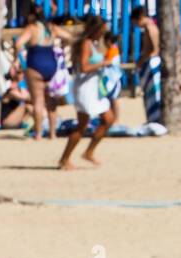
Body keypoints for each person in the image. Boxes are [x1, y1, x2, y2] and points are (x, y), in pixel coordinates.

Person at [59, 16, 114, 171]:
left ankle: (88, 152)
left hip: (94, 87)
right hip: (85, 88)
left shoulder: (94, 44)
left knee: (108, 119)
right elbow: (83, 67)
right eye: (101, 31)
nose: (103, 34)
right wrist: (103, 63)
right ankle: (64, 159)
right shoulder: (86, 44)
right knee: (81, 126)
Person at [15, 5, 60, 140]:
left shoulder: (32, 28)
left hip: (35, 64)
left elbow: (18, 43)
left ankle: (39, 134)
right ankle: (53, 134)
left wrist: (20, 61)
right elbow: (69, 36)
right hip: (51, 64)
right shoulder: (51, 28)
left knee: (38, 102)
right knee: (52, 102)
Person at [131, 6, 161, 124]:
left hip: (152, 63)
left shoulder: (149, 27)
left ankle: (154, 118)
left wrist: (141, 61)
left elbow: (153, 49)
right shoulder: (151, 26)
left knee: (152, 93)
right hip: (150, 61)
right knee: (150, 93)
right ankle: (152, 118)